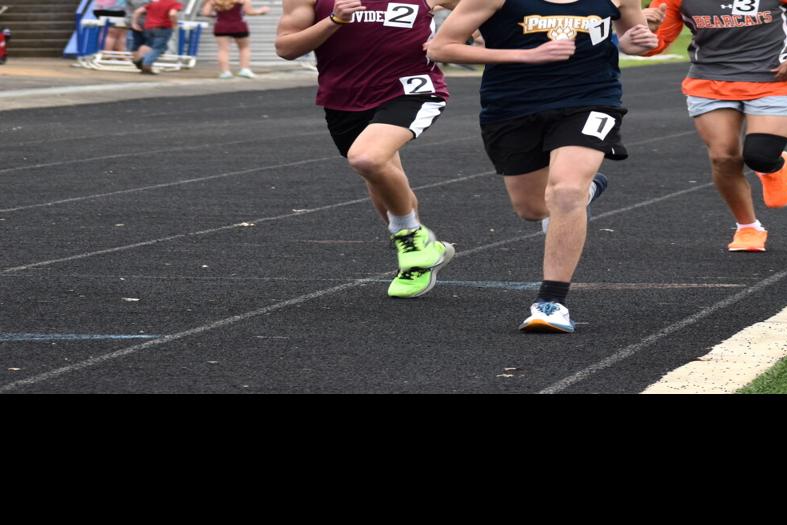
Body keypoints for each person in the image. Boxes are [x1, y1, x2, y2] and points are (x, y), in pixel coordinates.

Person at [428, 0, 657, 333]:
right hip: (512, 108)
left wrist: (635, 45)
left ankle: (552, 303)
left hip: (591, 100)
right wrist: (526, 55)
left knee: (565, 191)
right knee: (533, 209)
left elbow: (633, 39)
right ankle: (586, 191)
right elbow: (440, 47)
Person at [275, 0, 456, 299]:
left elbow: (485, 13)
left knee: (367, 158)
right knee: (378, 173)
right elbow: (286, 47)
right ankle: (423, 253)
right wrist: (334, 20)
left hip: (410, 89)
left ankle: (410, 237)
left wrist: (455, 39)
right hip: (344, 98)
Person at [639, 0, 787, 253]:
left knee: (760, 156)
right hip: (710, 82)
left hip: (776, 79)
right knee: (723, 157)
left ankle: (773, 166)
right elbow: (653, 48)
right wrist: (646, 29)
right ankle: (748, 227)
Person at [203, 0, 271, 79]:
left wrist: (216, 15)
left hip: (221, 26)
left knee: (223, 50)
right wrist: (261, 11)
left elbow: (206, 13)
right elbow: (250, 12)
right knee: (244, 48)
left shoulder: (213, 1)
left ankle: (225, 72)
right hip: (238, 26)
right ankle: (245, 70)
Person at [131, 0, 184, 74]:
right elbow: (172, 14)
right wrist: (174, 24)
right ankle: (146, 65)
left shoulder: (154, 3)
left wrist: (134, 22)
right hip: (163, 28)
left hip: (149, 27)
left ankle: (140, 60)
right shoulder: (174, 3)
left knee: (150, 46)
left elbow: (138, 11)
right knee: (159, 48)